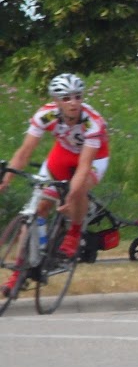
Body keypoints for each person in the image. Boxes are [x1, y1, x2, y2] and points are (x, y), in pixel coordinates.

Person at [1, 74, 110, 270]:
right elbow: (25, 152)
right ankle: (28, 266)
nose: (74, 103)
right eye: (67, 98)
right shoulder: (46, 115)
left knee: (79, 189)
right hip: (63, 153)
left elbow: (84, 166)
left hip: (94, 157)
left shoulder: (92, 122)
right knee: (40, 207)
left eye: (78, 97)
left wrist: (70, 197)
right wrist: (6, 180)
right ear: (56, 101)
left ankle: (74, 232)